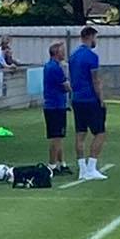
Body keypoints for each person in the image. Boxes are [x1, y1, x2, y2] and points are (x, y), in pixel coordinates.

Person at [68, 25, 108, 179]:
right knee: (100, 133)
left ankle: (82, 169)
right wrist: (101, 99)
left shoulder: (73, 56)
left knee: (80, 134)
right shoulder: (92, 56)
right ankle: (91, 167)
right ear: (90, 37)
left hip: (77, 98)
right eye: (95, 37)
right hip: (90, 99)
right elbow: (95, 80)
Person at [42, 39, 72, 174]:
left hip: (54, 105)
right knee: (56, 137)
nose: (64, 54)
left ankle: (61, 163)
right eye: (62, 51)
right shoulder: (55, 68)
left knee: (59, 136)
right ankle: (52, 165)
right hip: (55, 106)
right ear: (56, 53)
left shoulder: (49, 66)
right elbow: (66, 86)